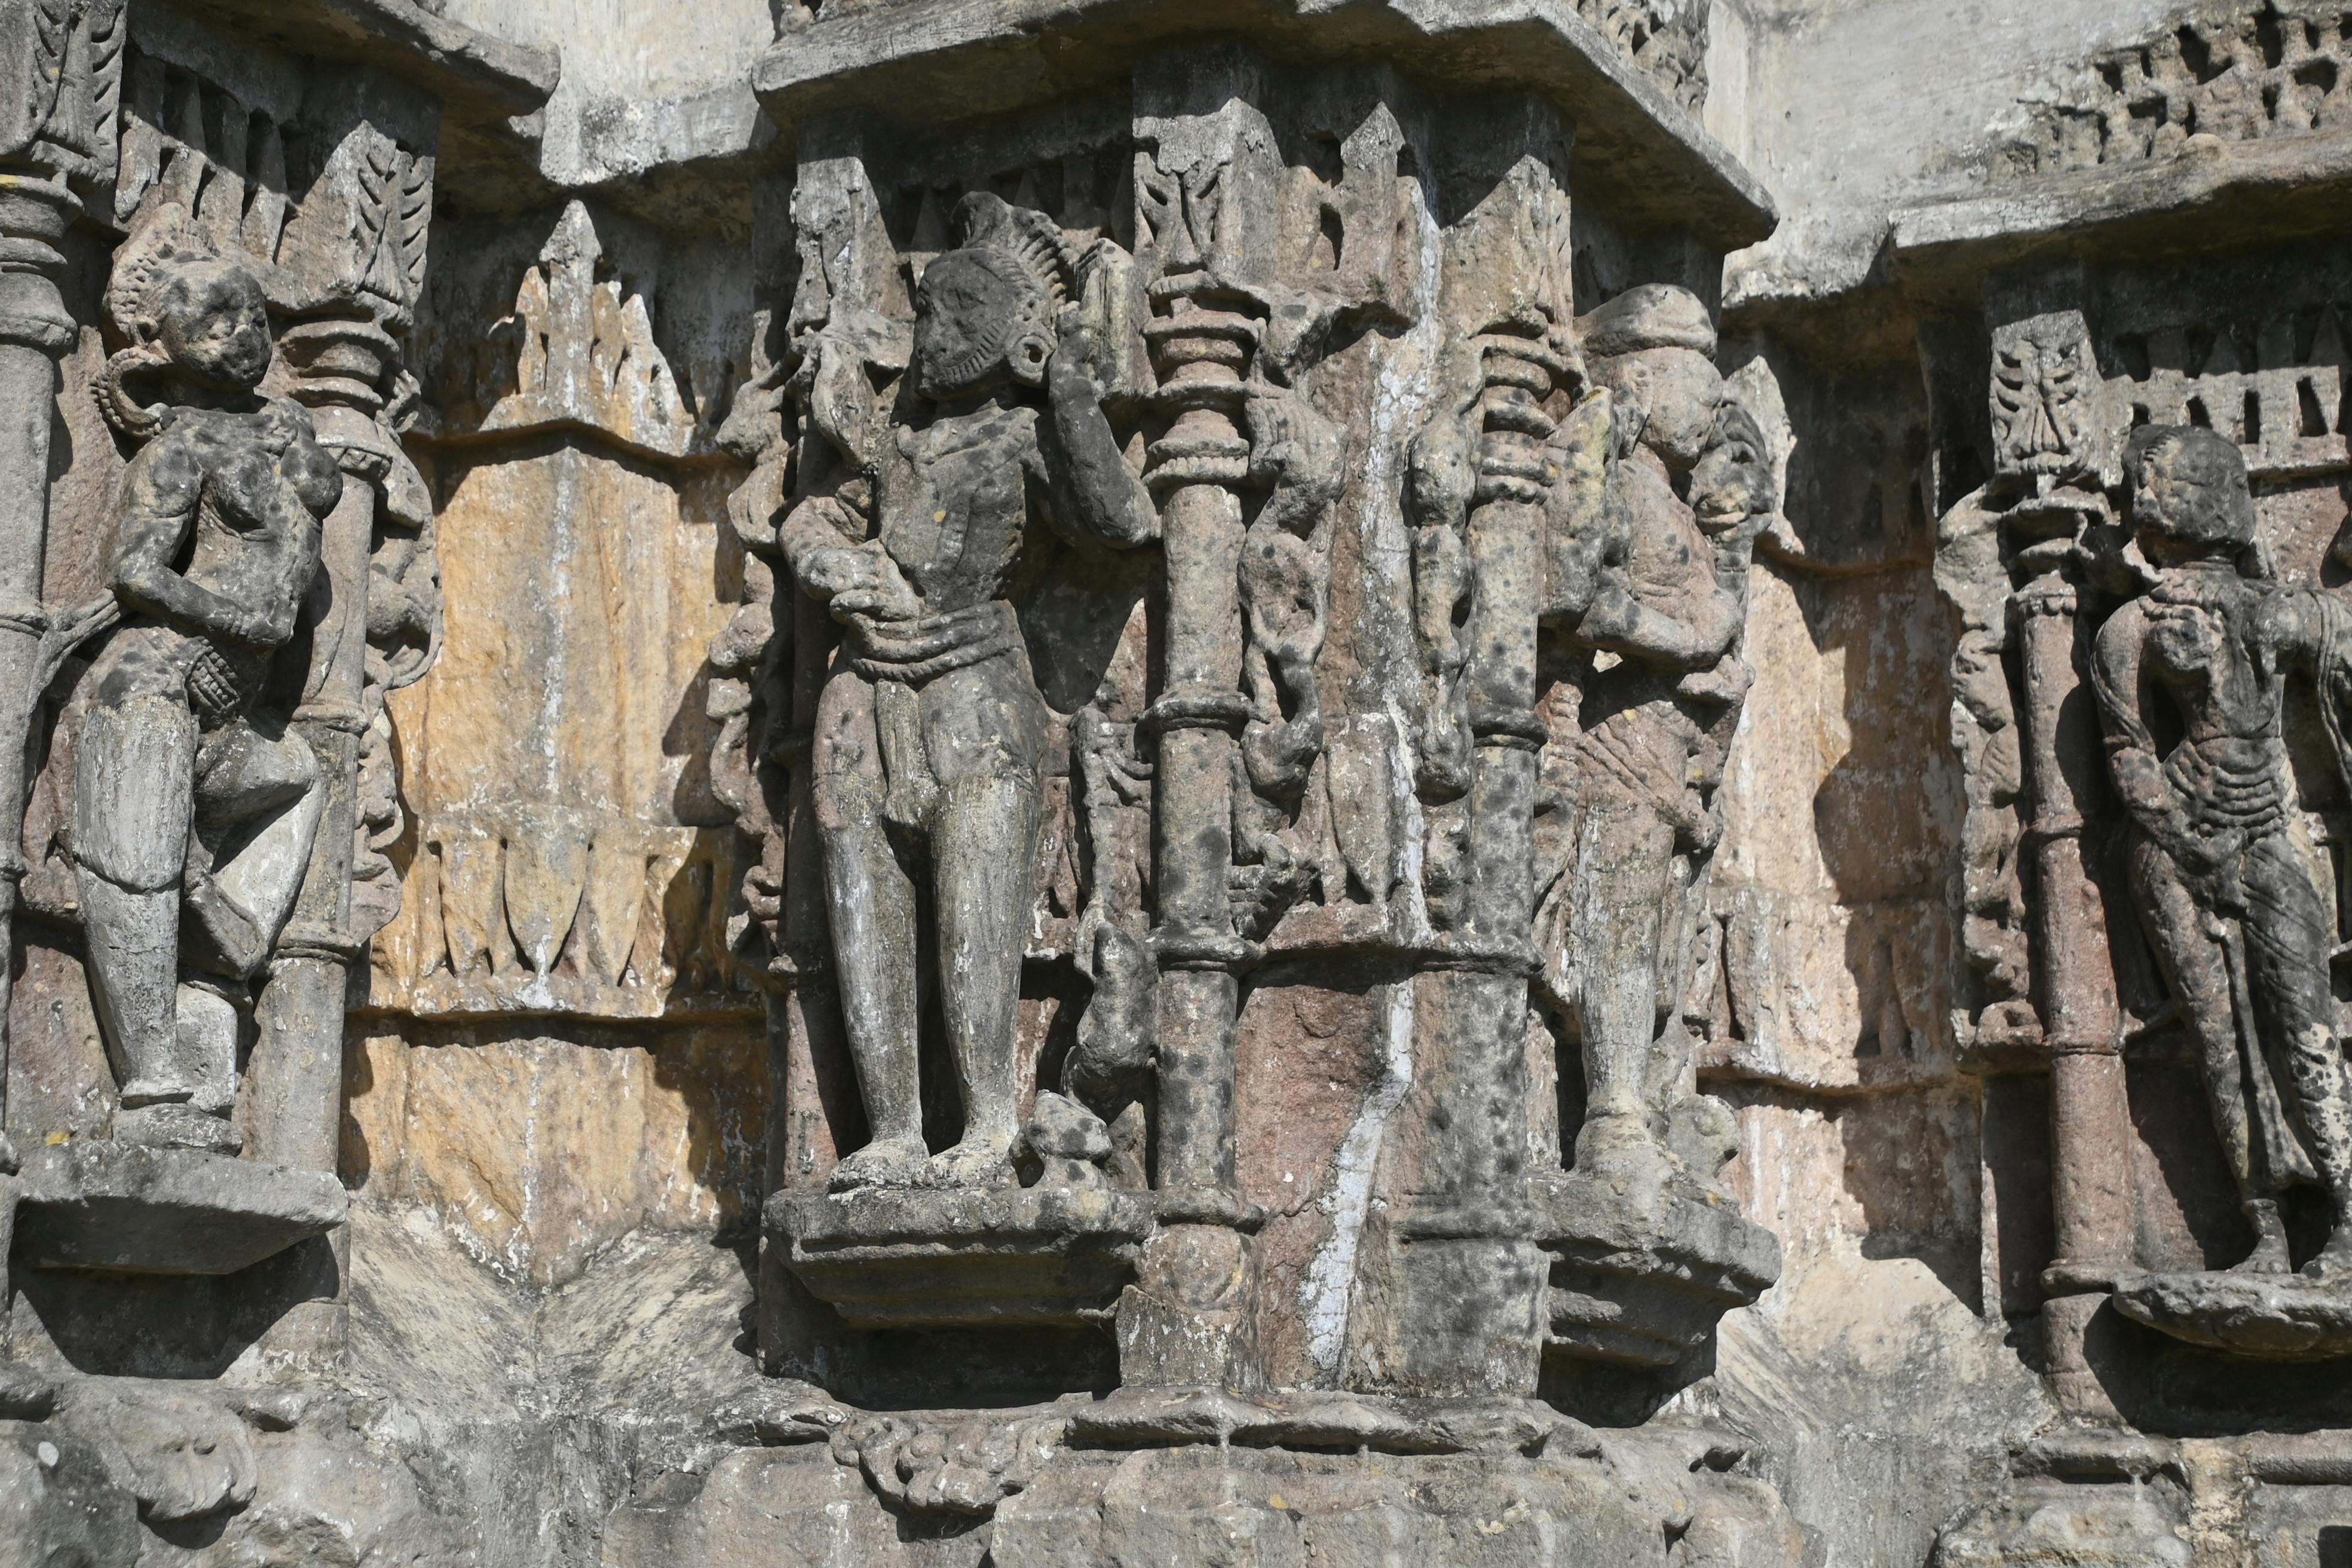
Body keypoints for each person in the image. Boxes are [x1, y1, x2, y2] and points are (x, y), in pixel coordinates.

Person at [779, 194, 1157, 1191]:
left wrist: (1069, 390)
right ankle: (896, 1127)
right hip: (864, 693)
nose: (929, 338)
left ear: (1011, 334)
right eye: (927, 314)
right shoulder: (898, 442)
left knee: (973, 919)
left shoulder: (1026, 440)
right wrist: (831, 562)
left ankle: (987, 1124)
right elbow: (818, 515)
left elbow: (1120, 522)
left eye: (954, 316)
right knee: (866, 920)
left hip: (974, 691)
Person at [78, 215, 339, 1150]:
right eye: (214, 322)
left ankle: (219, 967)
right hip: (158, 682)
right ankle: (151, 1081)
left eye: (253, 317)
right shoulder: (179, 444)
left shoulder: (282, 429)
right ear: (170, 345)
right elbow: (136, 573)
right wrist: (242, 627)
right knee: (139, 861)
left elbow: (318, 502)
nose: (242, 335)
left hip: (233, 706)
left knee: (302, 775)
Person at [2093, 424, 2352, 1279]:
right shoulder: (2130, 626)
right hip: (2179, 845)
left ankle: (2347, 1218)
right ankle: (2267, 1231)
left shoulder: (2273, 609)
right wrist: (2180, 834)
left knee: (2303, 1018)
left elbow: (2337, 649)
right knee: (2219, 1038)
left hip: (2267, 826)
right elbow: (2130, 754)